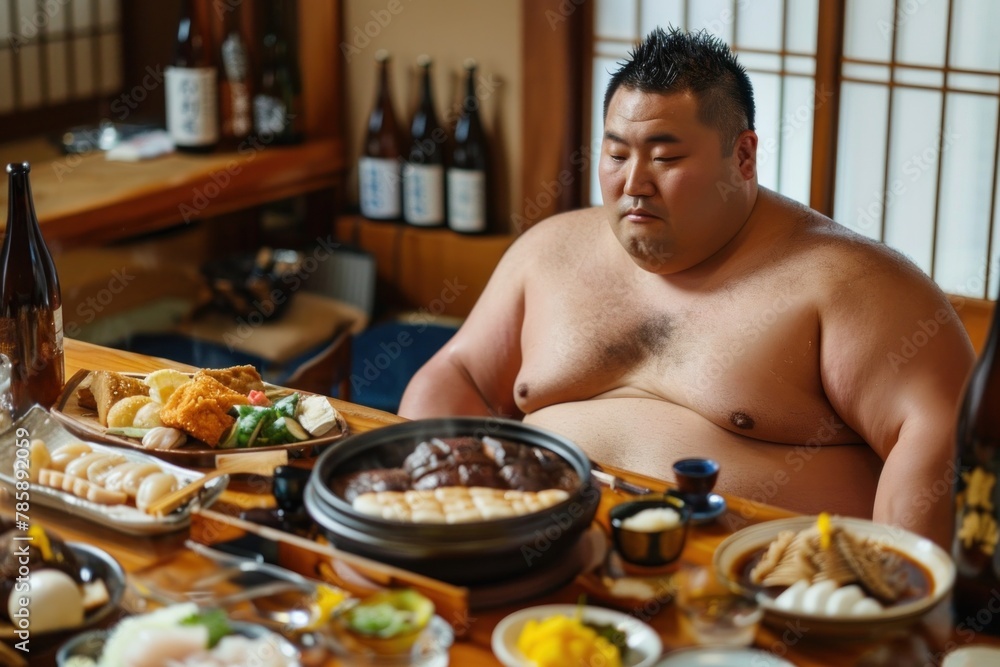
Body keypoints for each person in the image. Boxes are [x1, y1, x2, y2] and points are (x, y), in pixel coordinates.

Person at [398, 26, 974, 547]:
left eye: (666, 157)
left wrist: (898, 597)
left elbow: (941, 432)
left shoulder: (850, 282)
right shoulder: (550, 250)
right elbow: (461, 374)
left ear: (743, 156)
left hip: (754, 592)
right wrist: (428, 509)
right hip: (536, 559)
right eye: (616, 154)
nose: (634, 183)